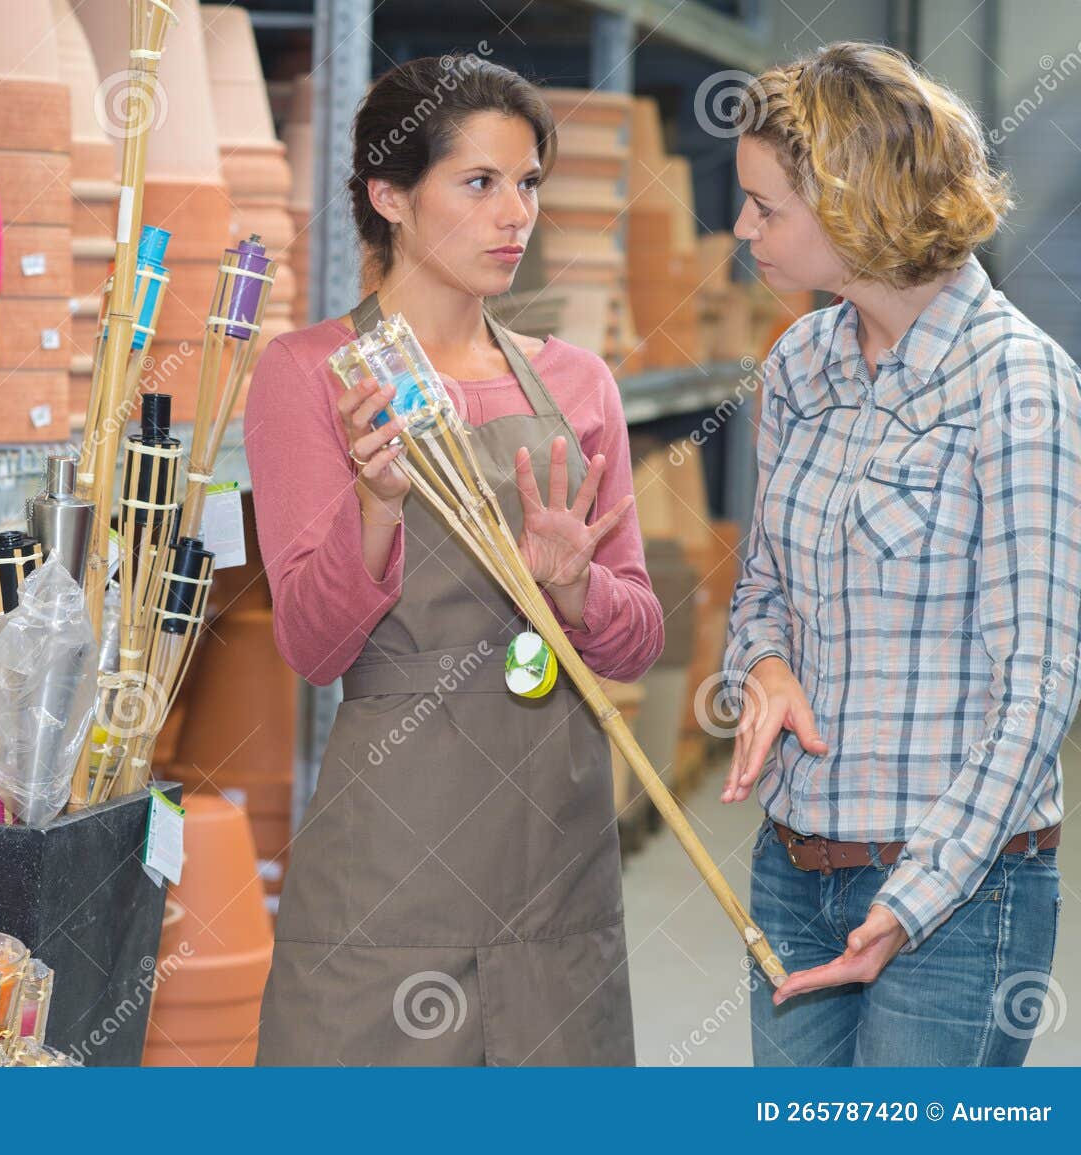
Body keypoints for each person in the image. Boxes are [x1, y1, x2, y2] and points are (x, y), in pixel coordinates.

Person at [244, 55, 664, 1066]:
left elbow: (638, 637)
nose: (513, 214)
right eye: (478, 184)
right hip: (393, 845)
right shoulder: (308, 374)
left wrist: (574, 584)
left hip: (553, 846)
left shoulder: (576, 383)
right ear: (389, 194)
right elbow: (309, 642)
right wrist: (378, 506)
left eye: (527, 184)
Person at [721, 41, 1081, 1066]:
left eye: (765, 206)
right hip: (793, 874)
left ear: (853, 204)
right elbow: (760, 589)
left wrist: (912, 898)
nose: (742, 227)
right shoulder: (800, 363)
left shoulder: (1014, 385)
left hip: (959, 900)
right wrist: (766, 662)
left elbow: (1038, 683)